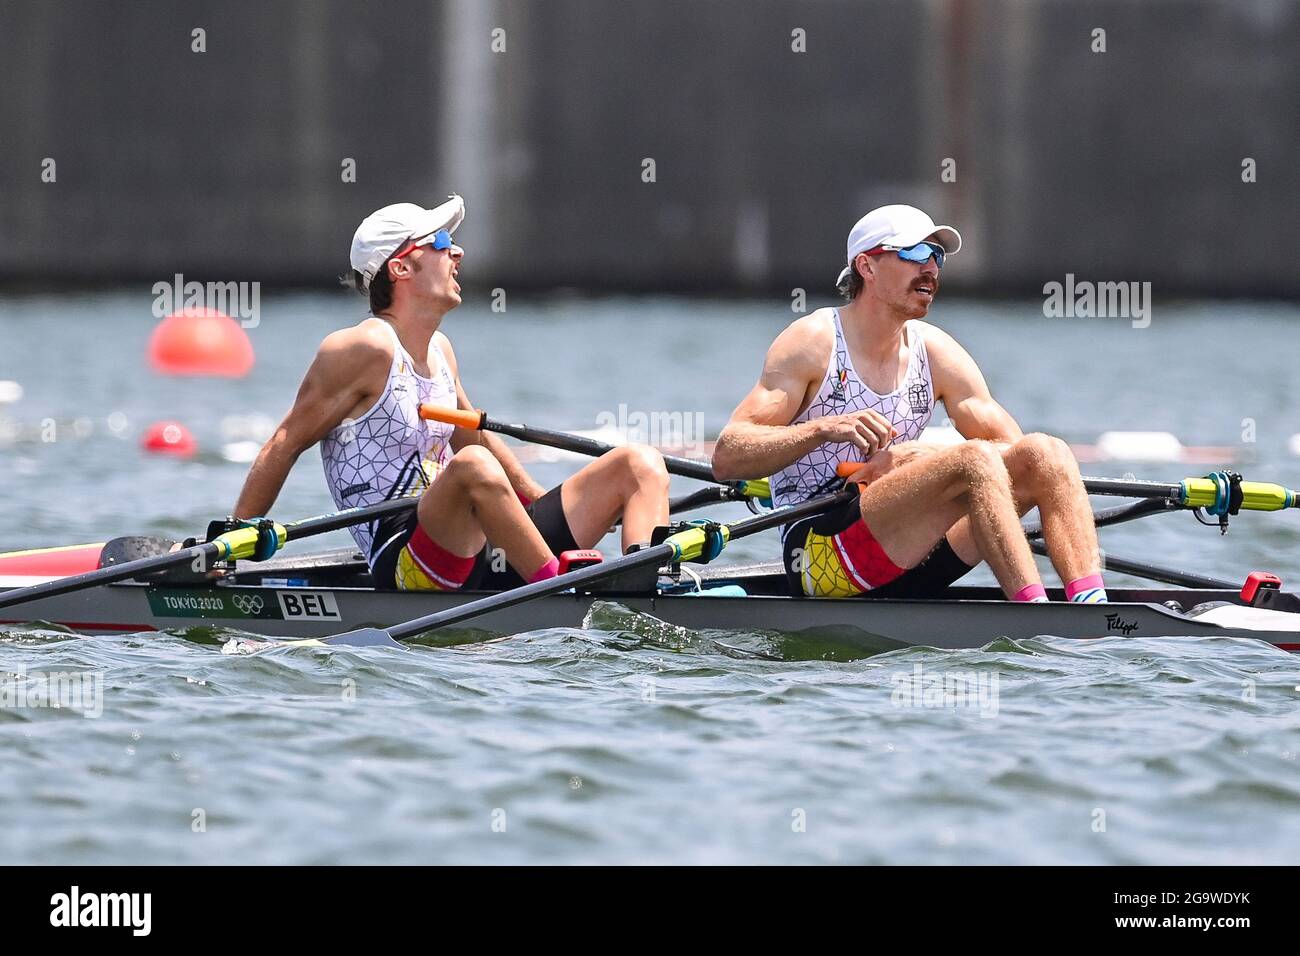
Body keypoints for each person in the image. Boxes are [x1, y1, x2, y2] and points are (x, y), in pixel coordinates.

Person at [233, 196, 670, 591]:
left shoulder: (440, 350)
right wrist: (234, 540)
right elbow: (285, 443)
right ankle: (557, 590)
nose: (456, 251)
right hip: (408, 560)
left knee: (638, 462)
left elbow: (473, 436)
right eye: (441, 241)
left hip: (480, 542)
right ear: (400, 267)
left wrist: (542, 504)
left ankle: (646, 584)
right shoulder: (360, 348)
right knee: (473, 468)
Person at [712, 204, 1106, 603]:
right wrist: (822, 429)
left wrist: (917, 455)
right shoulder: (812, 342)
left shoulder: (935, 351)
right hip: (820, 555)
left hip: (915, 555)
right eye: (917, 254)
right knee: (974, 460)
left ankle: (1093, 609)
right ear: (867, 266)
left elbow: (1016, 456)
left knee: (1047, 453)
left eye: (937, 257)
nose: (931, 269)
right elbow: (727, 456)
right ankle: (1036, 613)